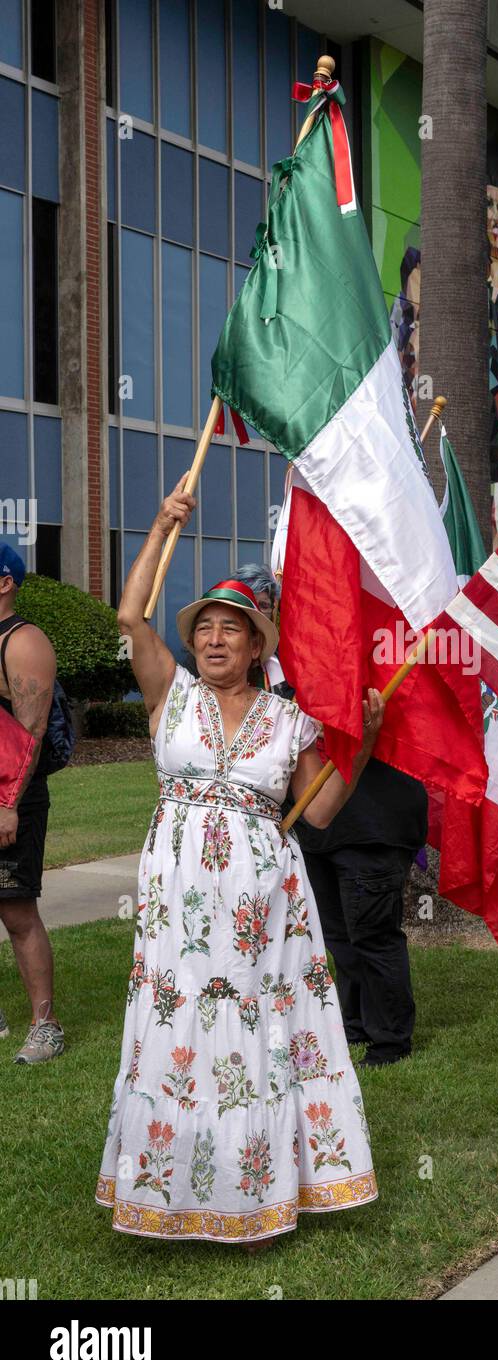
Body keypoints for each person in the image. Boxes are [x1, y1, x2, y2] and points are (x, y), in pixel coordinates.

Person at [96, 477, 382, 1245]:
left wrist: (366, 741)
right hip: (179, 891)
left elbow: (318, 811)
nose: (216, 639)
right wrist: (161, 525)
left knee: (255, 1020)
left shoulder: (289, 722)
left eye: (233, 629)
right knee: (179, 1008)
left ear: (258, 645)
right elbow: (129, 615)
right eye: (207, 628)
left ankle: (255, 1183)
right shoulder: (172, 695)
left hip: (263, 897)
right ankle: (167, 1182)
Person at [232, 566, 425, 1069]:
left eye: (259, 608)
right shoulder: (265, 676)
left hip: (372, 820)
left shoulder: (348, 651)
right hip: (317, 827)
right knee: (337, 934)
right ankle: (355, 1023)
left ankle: (390, 1039)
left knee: (372, 931)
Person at [0, 542, 64, 1064]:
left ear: (5, 582)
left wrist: (8, 803)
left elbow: (31, 732)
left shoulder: (23, 642)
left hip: (8, 798)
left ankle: (46, 1027)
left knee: (16, 910)